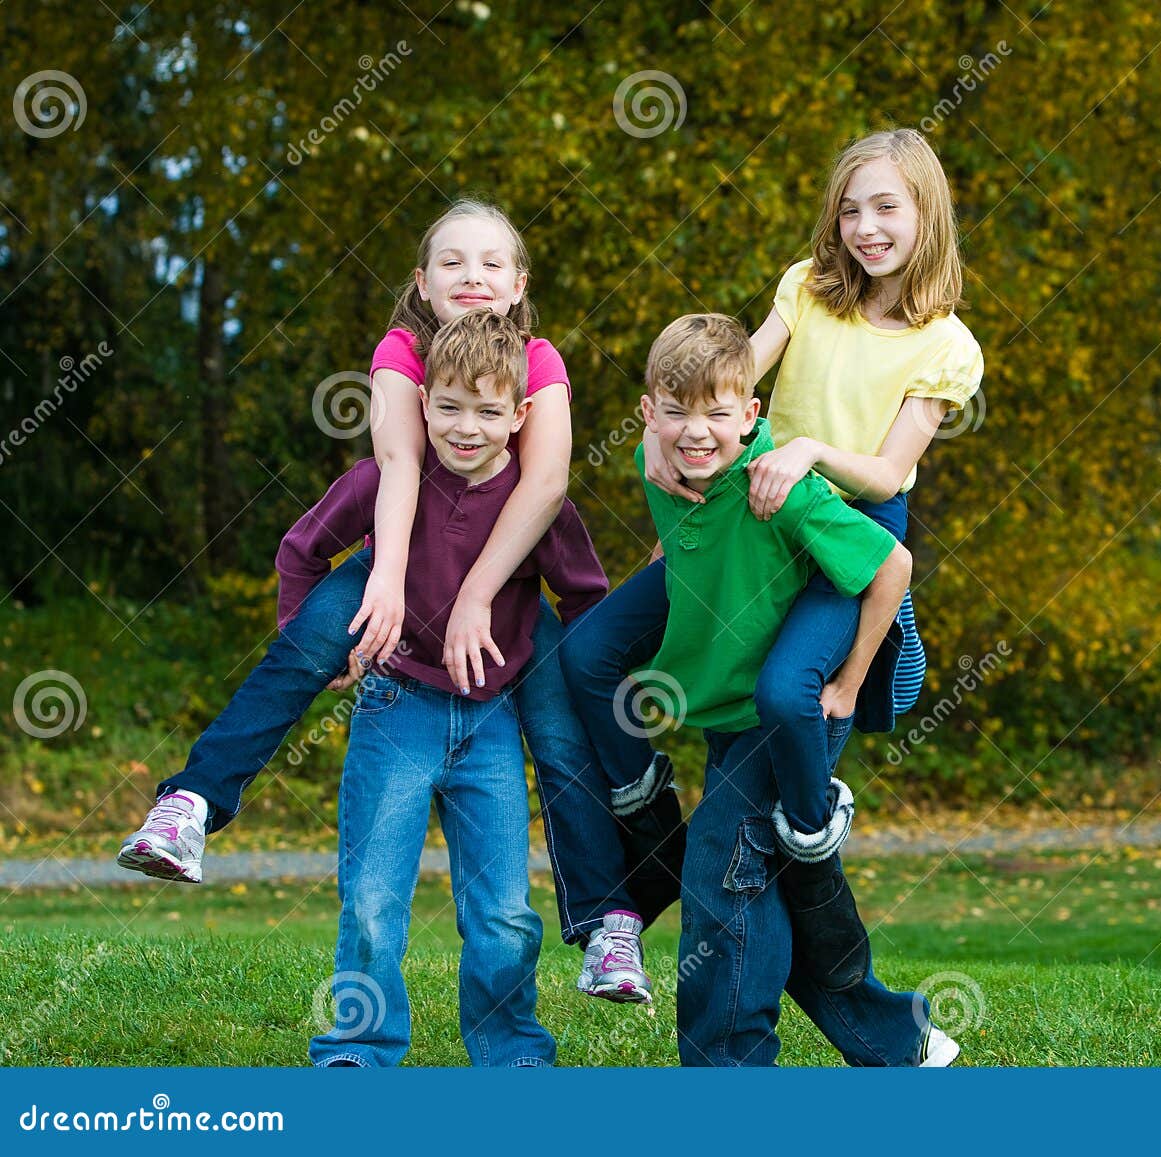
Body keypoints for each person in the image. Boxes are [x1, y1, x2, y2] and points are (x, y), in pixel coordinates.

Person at [117, 199, 662, 1002]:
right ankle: (190, 804)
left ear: (518, 284)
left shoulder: (538, 360)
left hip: (508, 592)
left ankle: (611, 924)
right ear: (421, 282)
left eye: (490, 263)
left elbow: (543, 486)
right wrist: (383, 579)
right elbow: (395, 467)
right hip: (399, 554)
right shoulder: (403, 350)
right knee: (307, 643)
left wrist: (496, 603)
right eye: (451, 261)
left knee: (561, 729)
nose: (471, 275)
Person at [563, 128, 984, 989]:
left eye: (887, 207)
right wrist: (671, 427)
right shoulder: (807, 287)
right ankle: (651, 820)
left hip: (848, 524)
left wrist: (809, 452)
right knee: (588, 653)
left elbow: (890, 469)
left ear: (925, 214)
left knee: (782, 693)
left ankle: (814, 820)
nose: (866, 226)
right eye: (850, 207)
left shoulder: (948, 345)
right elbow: (732, 375)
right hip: (752, 506)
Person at [584, 312, 958, 1065]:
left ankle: (729, 1069)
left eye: (718, 414)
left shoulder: (781, 488)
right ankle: (898, 1042)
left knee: (723, 872)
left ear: (752, 414)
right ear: (649, 413)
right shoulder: (658, 462)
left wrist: (851, 681)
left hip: (795, 703)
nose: (696, 433)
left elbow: (892, 565)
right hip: (733, 702)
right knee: (758, 881)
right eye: (676, 412)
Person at [289, 310, 575, 1065]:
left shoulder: (535, 502)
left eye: (488, 412)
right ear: (423, 406)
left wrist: (592, 696)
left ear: (520, 416)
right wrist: (316, 648)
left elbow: (584, 600)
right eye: (449, 406)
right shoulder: (388, 483)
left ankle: (512, 1050)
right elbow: (302, 550)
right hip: (395, 709)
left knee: (504, 911)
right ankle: (358, 1046)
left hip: (491, 721)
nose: (467, 427)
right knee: (376, 900)